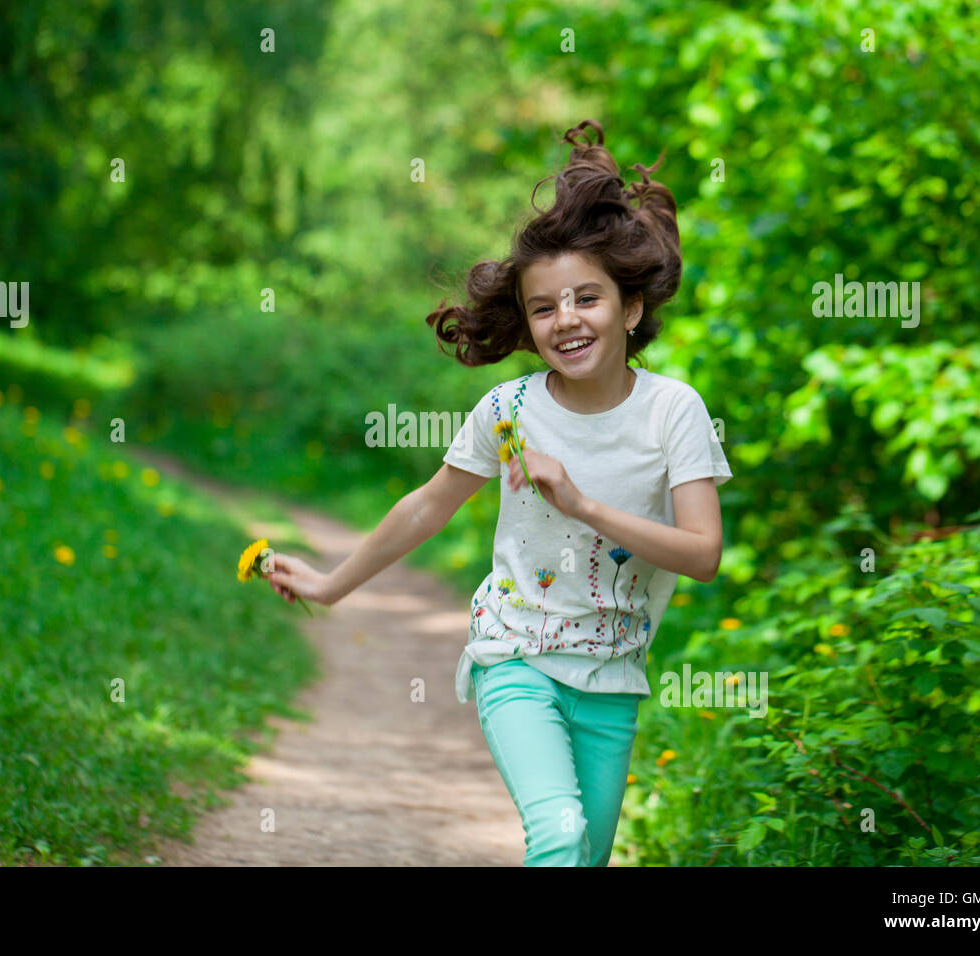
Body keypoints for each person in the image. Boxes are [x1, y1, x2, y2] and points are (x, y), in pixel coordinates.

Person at [265, 118, 732, 866]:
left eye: (587, 298)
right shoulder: (510, 413)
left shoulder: (673, 411)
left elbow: (703, 553)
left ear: (632, 309)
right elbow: (428, 504)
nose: (566, 320)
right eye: (544, 308)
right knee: (559, 835)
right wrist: (331, 583)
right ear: (527, 323)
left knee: (587, 855)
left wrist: (582, 506)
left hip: (613, 676)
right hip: (515, 657)